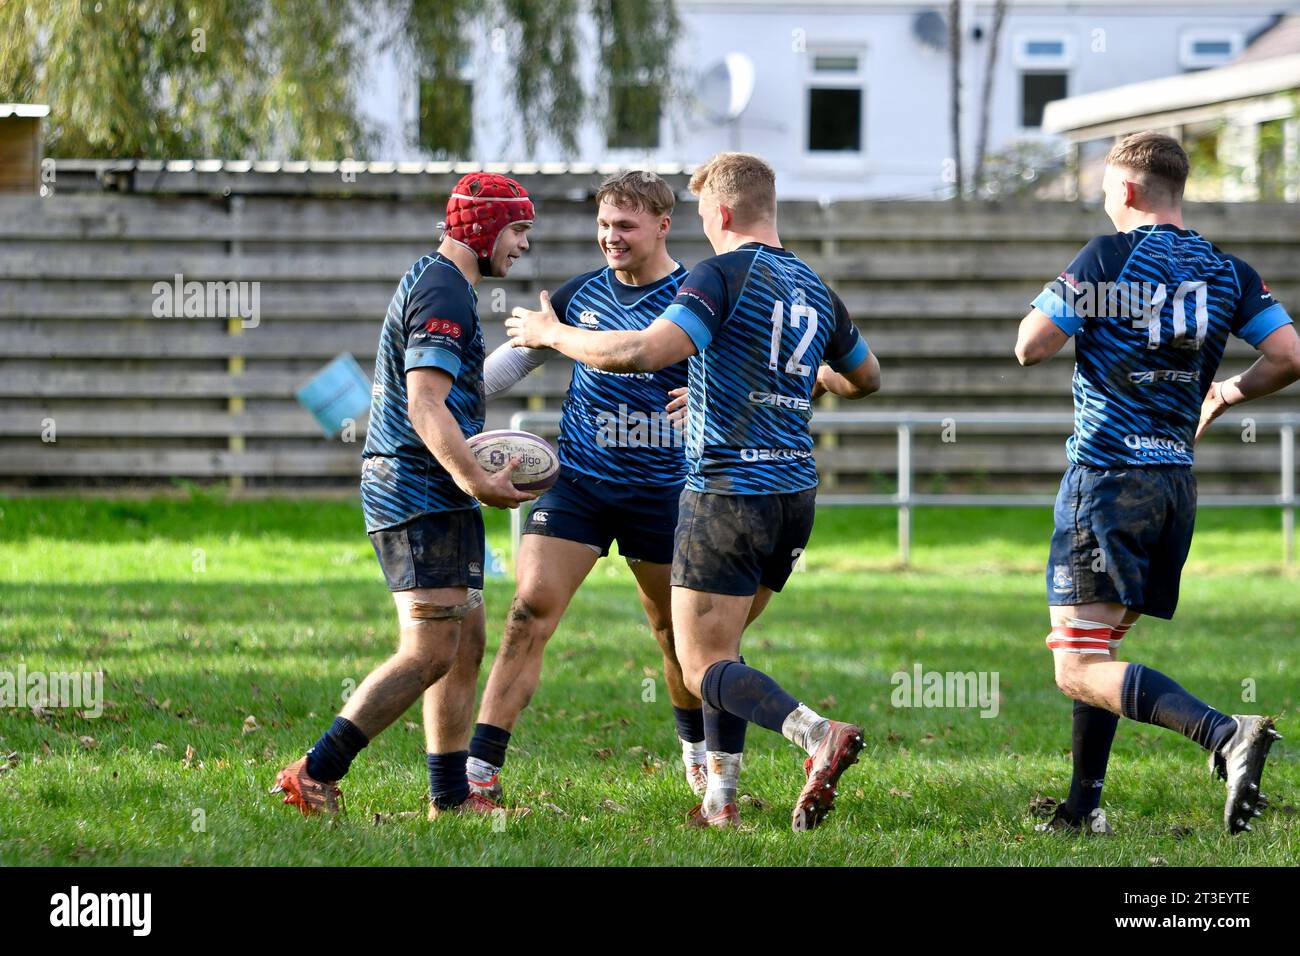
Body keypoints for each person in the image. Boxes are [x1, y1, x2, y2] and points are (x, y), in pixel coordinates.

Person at [505, 152, 881, 831]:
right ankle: (721, 803)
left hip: (726, 493)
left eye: (704, 212)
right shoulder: (813, 286)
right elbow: (869, 376)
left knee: (699, 659)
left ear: (724, 212)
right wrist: (815, 379)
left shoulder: (719, 272)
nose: (702, 227)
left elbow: (646, 350)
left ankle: (814, 733)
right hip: (793, 498)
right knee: (722, 651)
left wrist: (553, 333)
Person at [1015, 131, 1297, 834]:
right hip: (1173, 484)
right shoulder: (1227, 269)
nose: (1107, 204)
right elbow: (1289, 355)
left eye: (1109, 191)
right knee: (1099, 646)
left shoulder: (1109, 256)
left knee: (1076, 665)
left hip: (1107, 480)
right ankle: (1083, 808)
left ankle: (1224, 734)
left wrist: (1077, 306)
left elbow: (1031, 345)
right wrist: (1225, 394)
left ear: (1130, 191)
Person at [272, 173, 537, 819]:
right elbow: (425, 403)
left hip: (434, 491)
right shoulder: (443, 289)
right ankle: (315, 771)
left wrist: (537, 346)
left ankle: (449, 799)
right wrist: (477, 479)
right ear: (483, 228)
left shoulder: (445, 284)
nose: (524, 245)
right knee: (429, 649)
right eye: (518, 229)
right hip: (419, 491)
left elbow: (466, 389)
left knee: (465, 641)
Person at [466, 170, 709, 803]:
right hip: (579, 485)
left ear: (663, 225)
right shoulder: (581, 295)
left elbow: (751, 374)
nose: (611, 237)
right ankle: (480, 773)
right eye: (604, 224)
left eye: (625, 225)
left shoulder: (696, 297)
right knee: (527, 613)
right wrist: (438, 403)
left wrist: (712, 400)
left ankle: (697, 754)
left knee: (673, 637)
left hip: (663, 492)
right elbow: (518, 358)